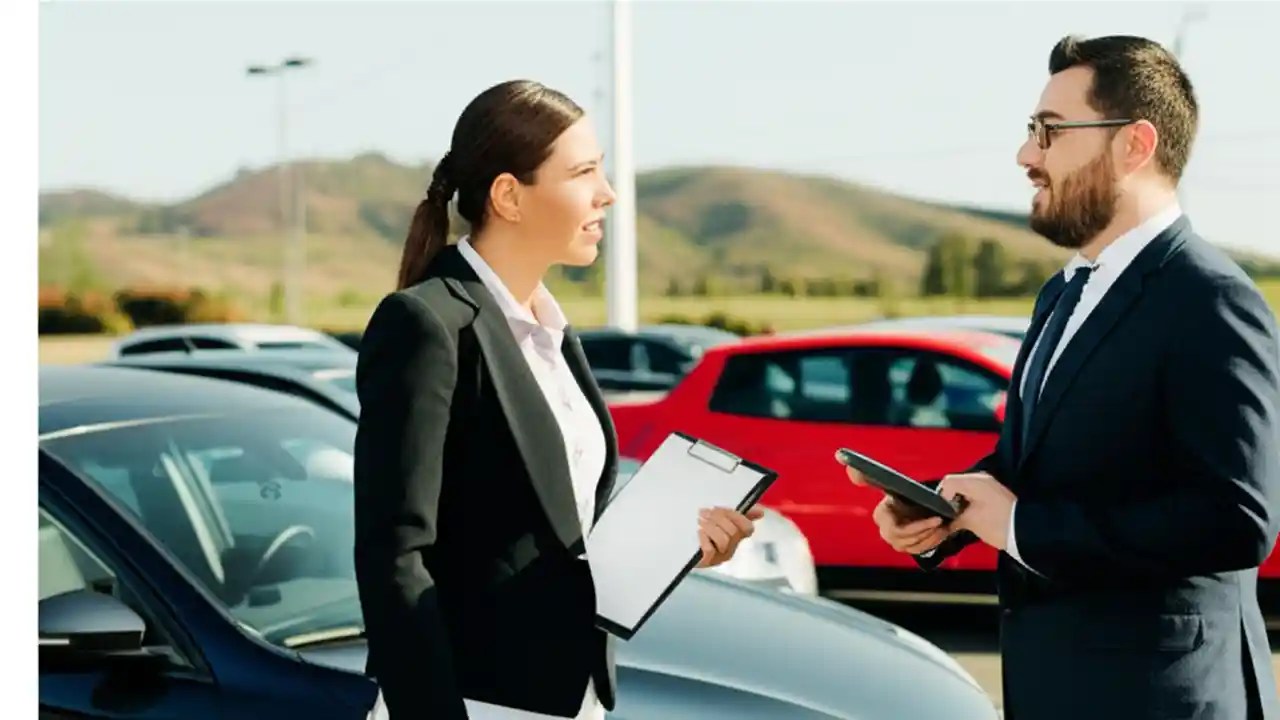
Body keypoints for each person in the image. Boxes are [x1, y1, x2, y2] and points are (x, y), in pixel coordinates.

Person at [846, 35, 1280, 719]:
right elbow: (1039, 464)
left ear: (1133, 145)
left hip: (1161, 697)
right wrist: (948, 511)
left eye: (1048, 132)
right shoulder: (1062, 293)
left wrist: (1022, 529)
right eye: (1030, 132)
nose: (1026, 156)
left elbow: (1235, 519)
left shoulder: (1211, 300)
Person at [353, 80, 762, 720]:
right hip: (474, 701)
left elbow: (555, 531)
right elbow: (394, 557)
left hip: (575, 693)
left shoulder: (549, 329)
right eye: (583, 172)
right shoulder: (426, 324)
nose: (608, 193)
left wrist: (681, 543)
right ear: (510, 195)